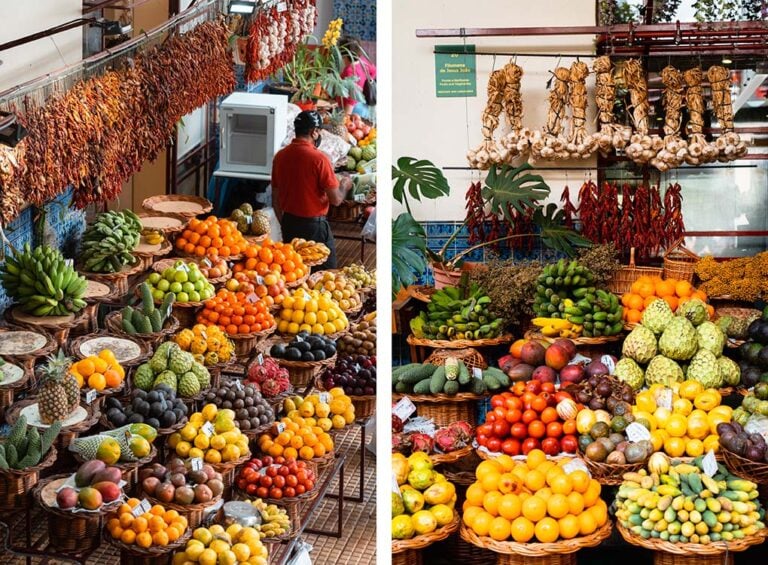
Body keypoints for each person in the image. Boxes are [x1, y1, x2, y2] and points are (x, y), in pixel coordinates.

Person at [271, 111, 352, 270]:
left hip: (289, 223)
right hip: (314, 228)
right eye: (319, 131)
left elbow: (275, 198)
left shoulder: (280, 157)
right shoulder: (320, 159)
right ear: (314, 132)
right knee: (325, 272)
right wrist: (345, 185)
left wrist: (284, 224)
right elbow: (336, 199)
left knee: (294, 271)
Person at [339, 36, 377, 119]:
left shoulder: (350, 71)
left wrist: (345, 118)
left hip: (354, 111)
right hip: (364, 107)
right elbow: (374, 71)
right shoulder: (363, 61)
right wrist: (365, 84)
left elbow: (351, 100)